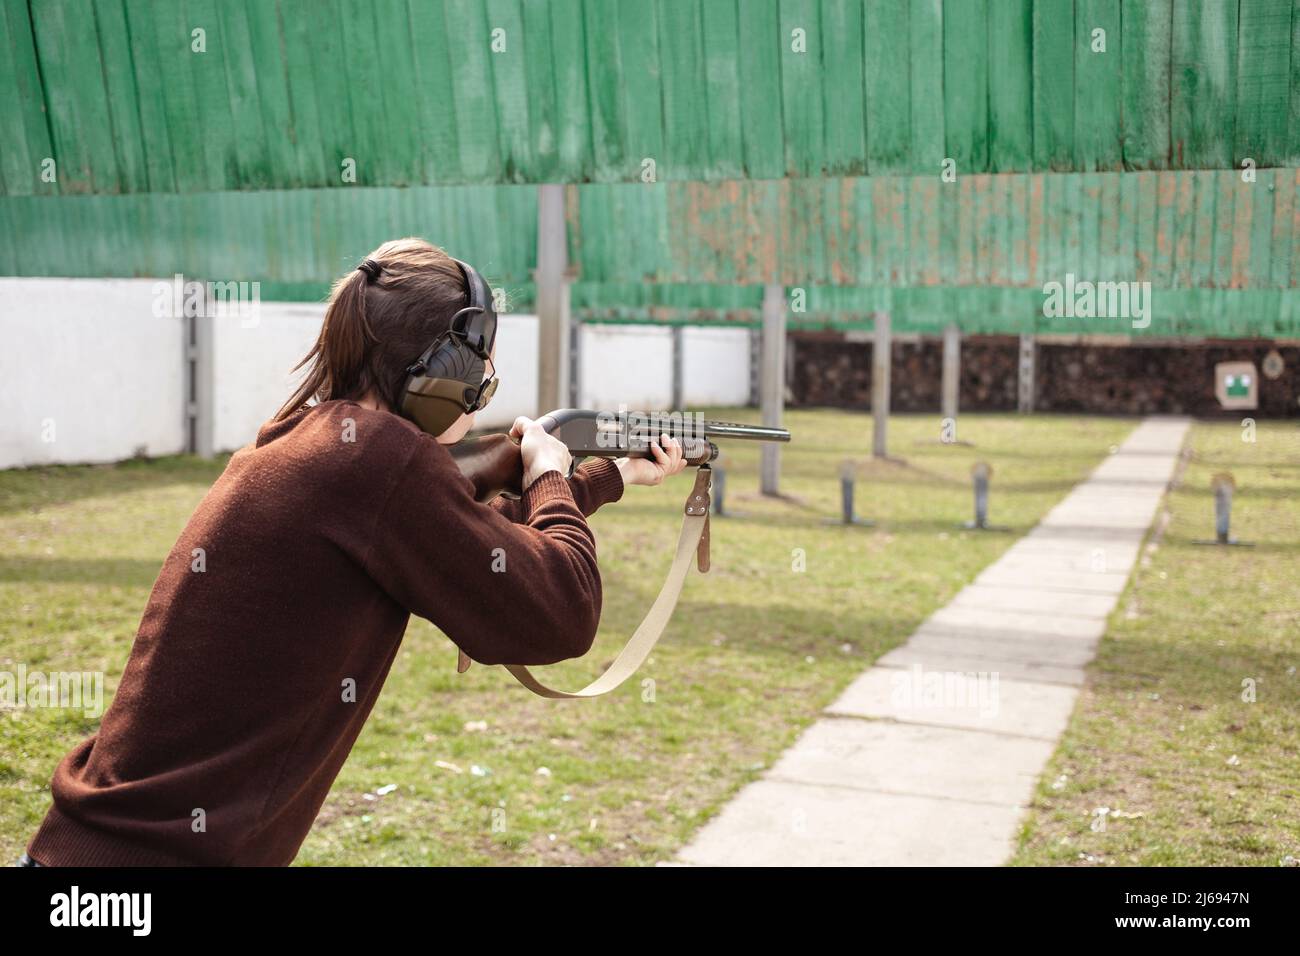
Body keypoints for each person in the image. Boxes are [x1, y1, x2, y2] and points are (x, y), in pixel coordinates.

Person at [23, 238, 685, 866]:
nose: (486, 383)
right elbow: (563, 611)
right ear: (442, 369)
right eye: (479, 367)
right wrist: (545, 472)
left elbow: (459, 545)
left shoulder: (308, 437)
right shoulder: (378, 461)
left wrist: (610, 476)